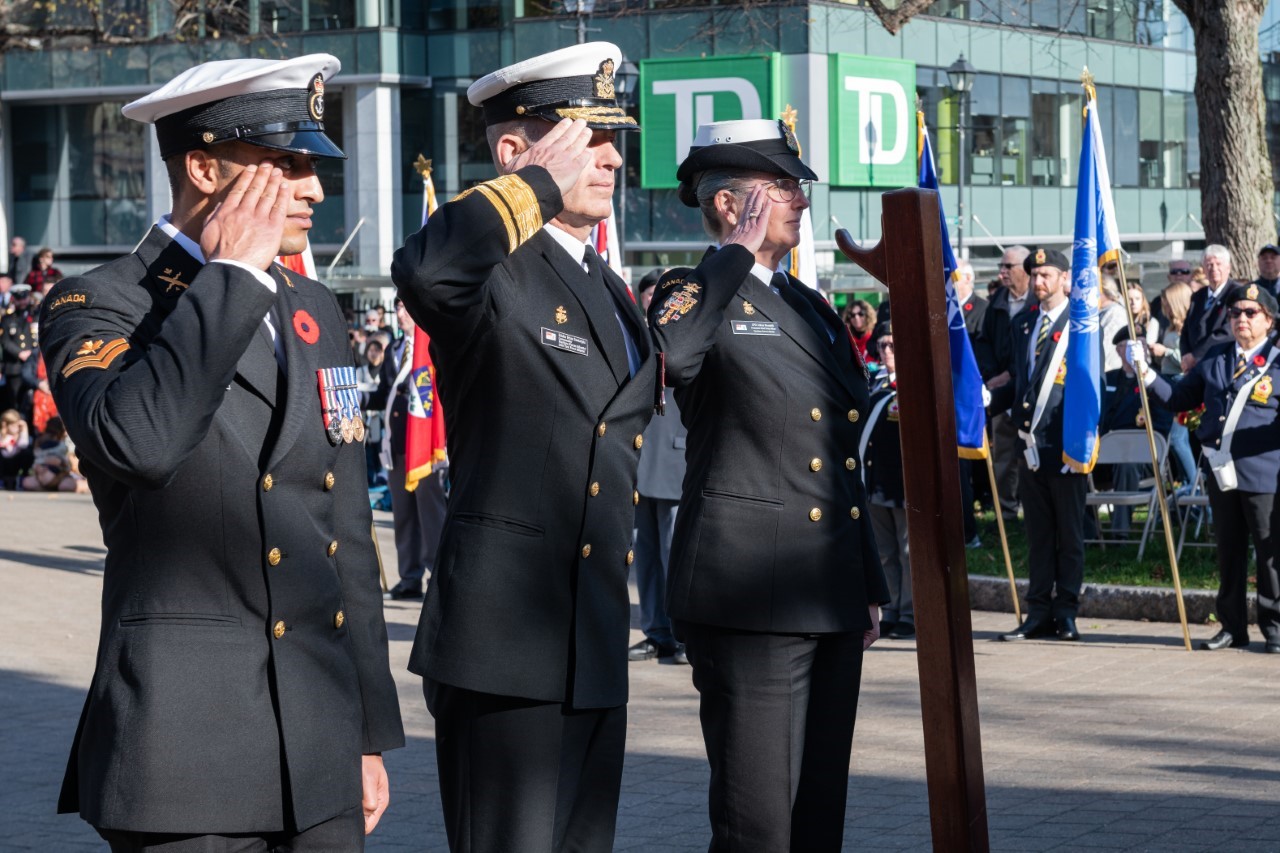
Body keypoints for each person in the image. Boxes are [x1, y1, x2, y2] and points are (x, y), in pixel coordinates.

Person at [39, 54, 404, 850]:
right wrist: (231, 272)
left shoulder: (312, 306)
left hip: (317, 740)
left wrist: (370, 730)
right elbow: (139, 444)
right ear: (203, 166)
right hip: (184, 750)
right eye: (287, 163)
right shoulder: (98, 302)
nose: (312, 188)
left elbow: (339, 524)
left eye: (315, 166)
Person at [391, 42, 653, 853]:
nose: (612, 156)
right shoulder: (496, 263)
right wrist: (530, 189)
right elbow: (428, 273)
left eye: (616, 139)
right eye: (586, 137)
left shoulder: (608, 284)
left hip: (591, 631)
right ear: (515, 152)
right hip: (503, 641)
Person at [652, 118, 887, 852]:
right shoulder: (690, 290)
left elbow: (842, 453)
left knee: (818, 816)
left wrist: (868, 580)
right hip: (750, 595)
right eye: (782, 186)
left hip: (828, 591)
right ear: (728, 203)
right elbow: (674, 356)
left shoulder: (809, 306)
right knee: (759, 826)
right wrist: (731, 258)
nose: (801, 199)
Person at [1129, 283, 1280, 653]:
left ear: (1269, 320)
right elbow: (1180, 398)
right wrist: (1146, 373)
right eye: (1235, 313)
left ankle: (1274, 627)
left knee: (1269, 554)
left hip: (1265, 474)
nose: (1241, 319)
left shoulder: (1277, 362)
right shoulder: (1216, 358)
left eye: (1250, 313)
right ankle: (1232, 627)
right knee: (1228, 552)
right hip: (1221, 470)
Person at [990, 248, 1094, 643]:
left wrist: (1082, 443)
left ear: (1065, 279)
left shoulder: (1081, 325)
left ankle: (1066, 612)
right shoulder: (1024, 323)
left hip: (1065, 445)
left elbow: (1088, 389)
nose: (1039, 282)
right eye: (1034, 275)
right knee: (1038, 535)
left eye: (1047, 275)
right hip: (1028, 443)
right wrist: (986, 403)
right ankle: (1037, 612)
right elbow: (1021, 383)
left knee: (1069, 536)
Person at [366, 298, 448, 601]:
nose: (400, 314)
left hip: (425, 446)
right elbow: (385, 393)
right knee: (403, 514)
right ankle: (409, 577)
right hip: (398, 443)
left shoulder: (434, 346)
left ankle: (436, 578)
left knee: (431, 516)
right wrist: (358, 399)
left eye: (406, 308)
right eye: (398, 307)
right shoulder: (396, 350)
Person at [629, 269, 689, 665]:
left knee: (674, 554)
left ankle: (683, 634)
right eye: (648, 294)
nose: (654, 301)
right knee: (645, 555)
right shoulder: (634, 337)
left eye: (660, 294)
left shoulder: (686, 335)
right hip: (637, 459)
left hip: (674, 456)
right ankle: (655, 631)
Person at [863, 323, 914, 638]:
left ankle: (910, 611)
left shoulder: (913, 384)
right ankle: (892, 609)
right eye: (883, 345)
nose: (887, 351)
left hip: (903, 483)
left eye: (894, 345)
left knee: (908, 551)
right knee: (884, 551)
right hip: (875, 481)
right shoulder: (876, 383)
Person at [983, 245, 1032, 522]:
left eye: (1007, 267)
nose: (1002, 273)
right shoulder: (998, 301)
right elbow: (985, 341)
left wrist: (1012, 374)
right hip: (1000, 390)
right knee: (1003, 452)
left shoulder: (1037, 300)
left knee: (1029, 452)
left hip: (1028, 389)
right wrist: (993, 374)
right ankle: (1006, 513)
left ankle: (1032, 509)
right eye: (1001, 267)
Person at [1152, 281, 1196, 482]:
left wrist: (1166, 352)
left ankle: (1193, 482)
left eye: (1168, 303)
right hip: (1168, 380)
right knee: (1173, 439)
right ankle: (1185, 482)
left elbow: (1187, 359)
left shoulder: (1188, 328)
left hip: (1180, 381)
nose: (1165, 308)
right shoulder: (1171, 326)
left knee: (1178, 439)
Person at [1181, 244, 1240, 372]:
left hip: (1220, 363)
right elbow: (1186, 329)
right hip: (1194, 367)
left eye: (1218, 264)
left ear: (1228, 268)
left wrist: (1196, 355)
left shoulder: (1236, 293)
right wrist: (1186, 355)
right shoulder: (1198, 296)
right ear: (1203, 269)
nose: (1214, 269)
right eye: (1209, 264)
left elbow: (1228, 330)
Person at [0, 282, 37, 413]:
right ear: (13, 299)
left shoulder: (35, 317)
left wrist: (32, 353)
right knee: (15, 401)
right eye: (18, 298)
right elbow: (5, 341)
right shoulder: (7, 319)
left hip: (34, 366)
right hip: (15, 366)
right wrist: (19, 353)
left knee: (33, 401)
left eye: (24, 298)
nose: (22, 302)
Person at [842, 298, 877, 362]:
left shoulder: (875, 338)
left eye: (861, 313)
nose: (856, 317)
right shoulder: (846, 340)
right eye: (852, 315)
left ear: (868, 315)